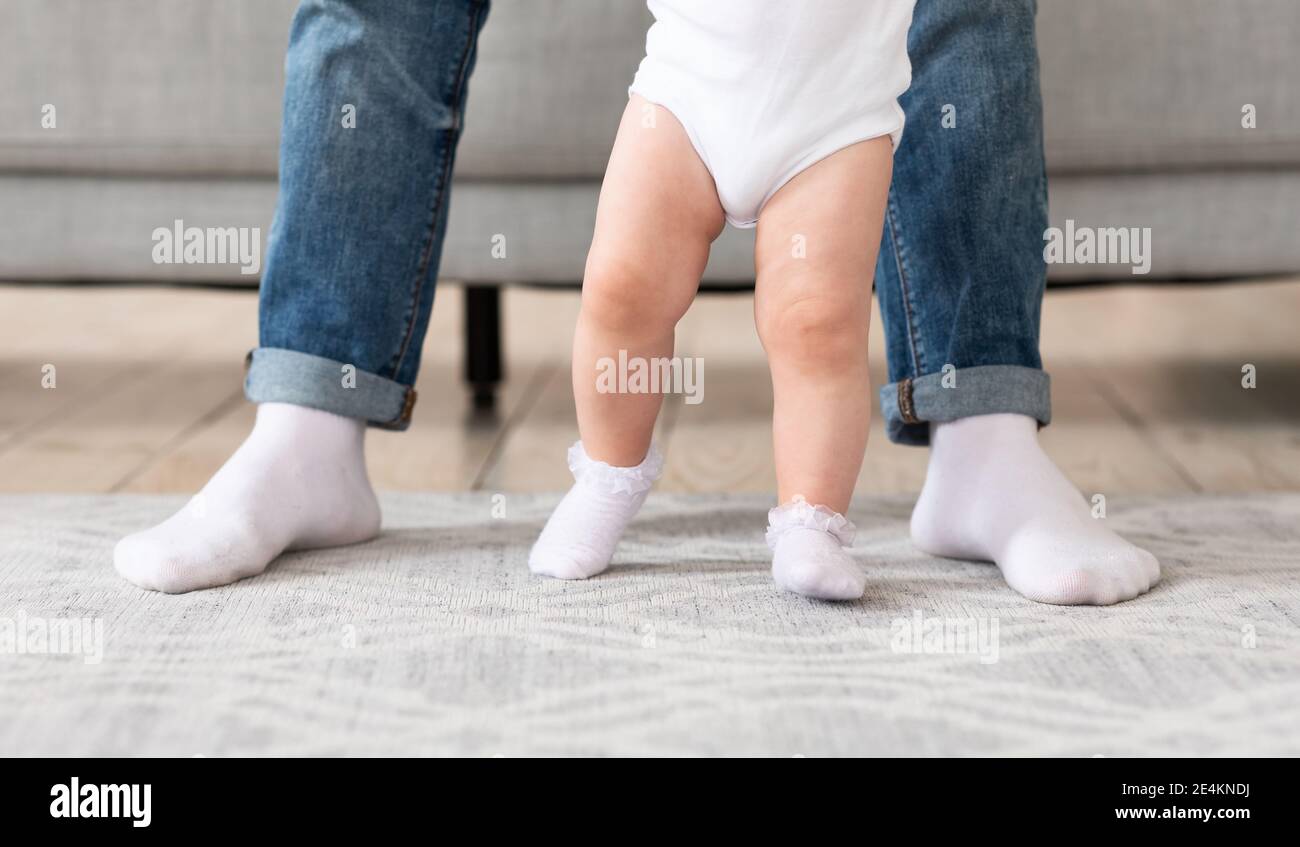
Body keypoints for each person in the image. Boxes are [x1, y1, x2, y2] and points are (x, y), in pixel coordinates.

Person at [114, 0, 1159, 606]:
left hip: (836, 106)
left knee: (813, 322)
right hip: (689, 86)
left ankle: (923, 472)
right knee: (620, 290)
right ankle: (331, 432)